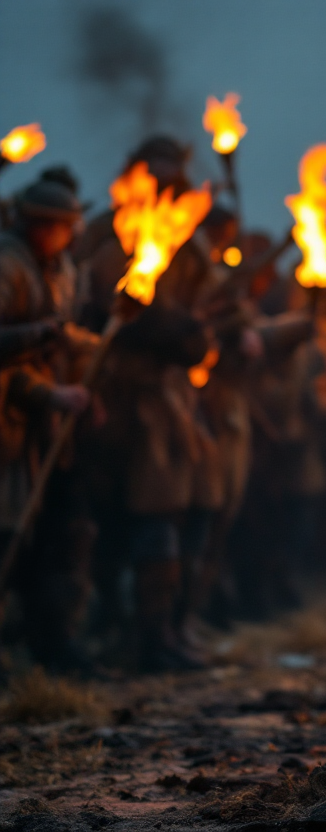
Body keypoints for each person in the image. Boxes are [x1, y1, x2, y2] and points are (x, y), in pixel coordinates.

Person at [75, 137, 216, 671]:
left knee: (164, 516)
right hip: (113, 396)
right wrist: (167, 327)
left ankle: (160, 633)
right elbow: (104, 312)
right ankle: (119, 632)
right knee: (111, 523)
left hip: (166, 401)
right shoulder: (105, 236)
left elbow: (200, 312)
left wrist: (193, 335)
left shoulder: (187, 241)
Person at [0, 171, 100, 674]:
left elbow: (63, 338)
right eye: (59, 226)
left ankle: (53, 643)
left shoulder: (61, 269)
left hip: (42, 429)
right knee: (6, 536)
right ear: (37, 224)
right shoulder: (8, 265)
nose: (66, 236)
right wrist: (42, 348)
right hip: (9, 422)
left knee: (56, 537)